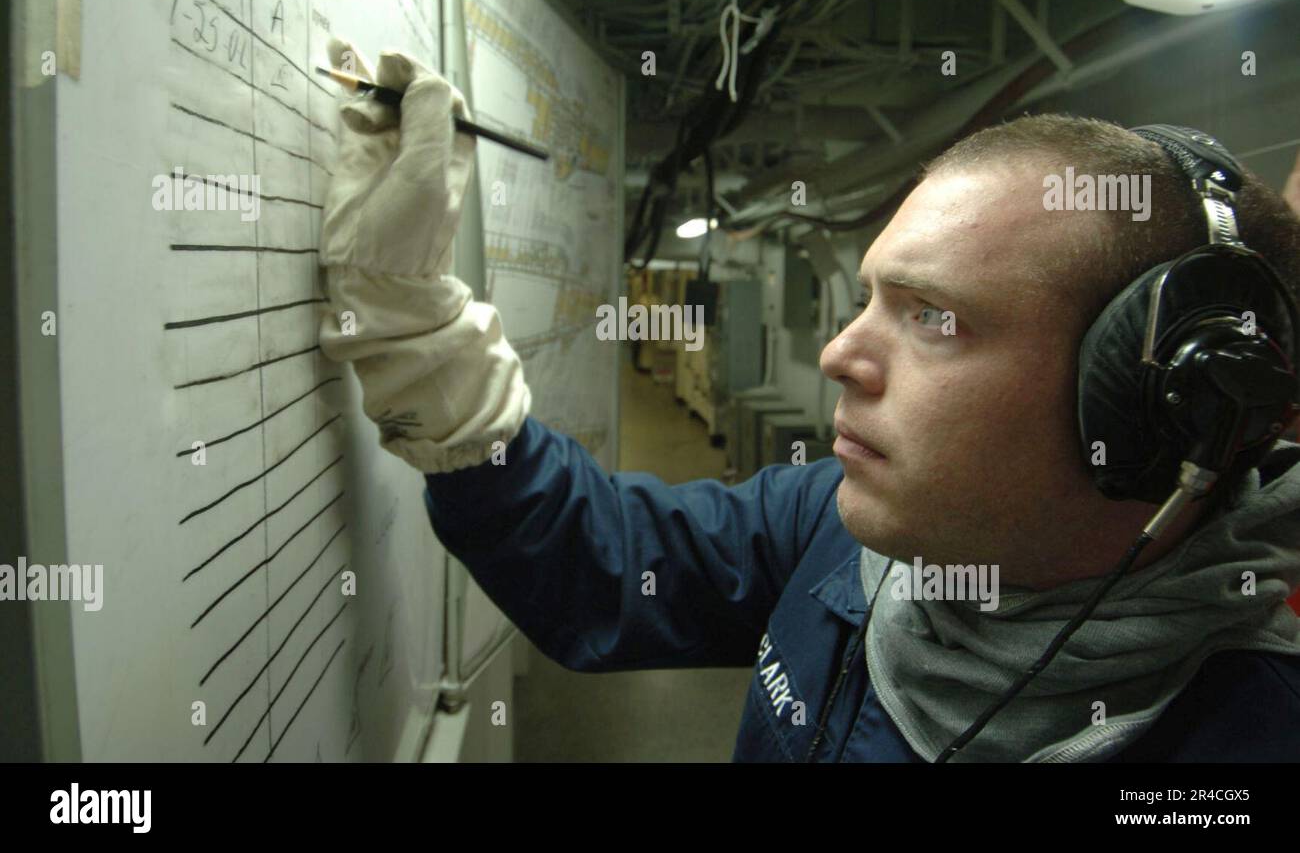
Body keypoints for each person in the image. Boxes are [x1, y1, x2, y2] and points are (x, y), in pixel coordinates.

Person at [317, 43, 1300, 762]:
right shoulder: (848, 536)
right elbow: (595, 555)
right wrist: (411, 321)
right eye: (868, 296)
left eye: (933, 318)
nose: (839, 354)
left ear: (1139, 407)